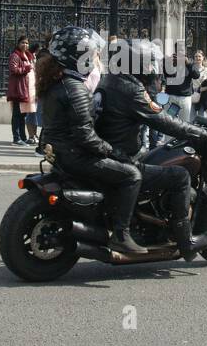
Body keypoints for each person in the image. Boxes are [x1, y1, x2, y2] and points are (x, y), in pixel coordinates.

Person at [94, 38, 207, 260]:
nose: (150, 67)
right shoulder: (131, 89)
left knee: (156, 159)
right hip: (123, 156)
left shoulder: (108, 80)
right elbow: (162, 120)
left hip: (112, 150)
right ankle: (186, 242)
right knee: (180, 176)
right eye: (145, 63)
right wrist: (201, 133)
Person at [39, 26, 147, 257]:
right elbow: (85, 136)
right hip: (77, 156)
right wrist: (113, 151)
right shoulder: (75, 89)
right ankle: (121, 235)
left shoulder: (57, 82)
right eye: (94, 54)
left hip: (61, 153)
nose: (97, 59)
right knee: (131, 174)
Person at [7, 35, 35, 145]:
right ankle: (16, 137)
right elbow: (14, 69)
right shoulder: (15, 56)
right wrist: (26, 68)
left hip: (26, 89)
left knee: (23, 115)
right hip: (18, 89)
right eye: (23, 42)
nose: (25, 45)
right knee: (17, 114)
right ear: (18, 44)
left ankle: (23, 137)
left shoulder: (28, 56)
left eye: (27, 43)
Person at [163, 42, 199, 125]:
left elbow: (196, 75)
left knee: (184, 123)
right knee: (170, 122)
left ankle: (183, 138)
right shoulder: (169, 59)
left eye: (182, 50)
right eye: (178, 50)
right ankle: (169, 138)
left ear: (185, 51)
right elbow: (165, 75)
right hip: (172, 97)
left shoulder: (190, 62)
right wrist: (171, 64)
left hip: (185, 98)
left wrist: (188, 64)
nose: (180, 52)